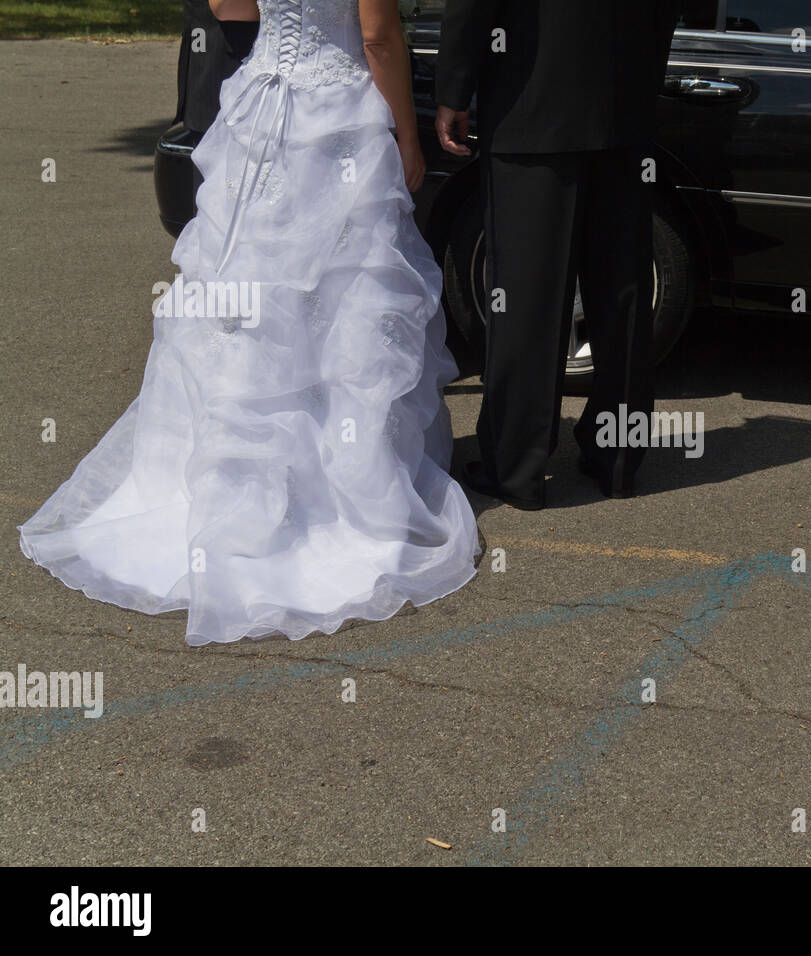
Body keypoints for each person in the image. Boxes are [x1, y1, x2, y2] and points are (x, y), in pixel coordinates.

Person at [17, 0, 480, 646]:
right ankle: (334, 489)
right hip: (335, 116)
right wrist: (408, 136)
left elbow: (226, 4)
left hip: (261, 106)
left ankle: (230, 484)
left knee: (247, 305)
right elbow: (378, 36)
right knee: (338, 306)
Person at [435, 0, 681, 510]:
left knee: (526, 296)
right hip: (623, 111)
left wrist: (453, 89)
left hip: (532, 107)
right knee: (622, 293)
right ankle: (618, 457)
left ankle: (517, 466)